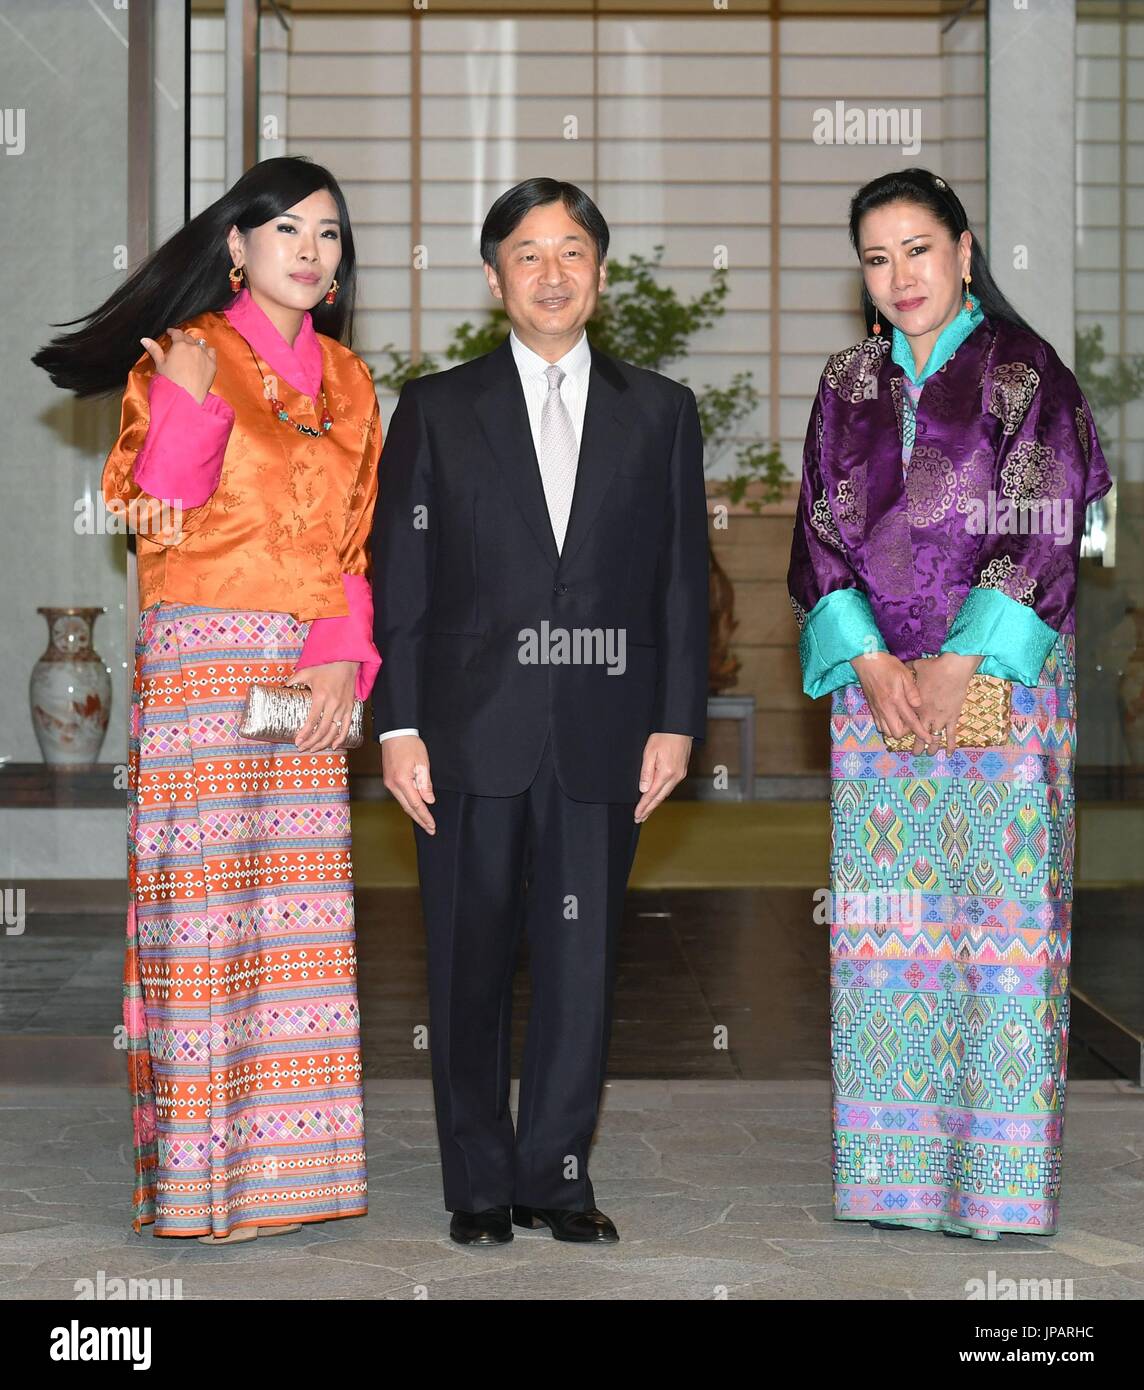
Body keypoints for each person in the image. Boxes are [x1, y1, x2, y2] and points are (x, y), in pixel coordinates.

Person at [33, 156, 381, 1243]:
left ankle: (295, 1177)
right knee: (207, 918)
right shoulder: (188, 354)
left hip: (303, 673)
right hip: (203, 670)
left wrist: (341, 661)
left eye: (328, 233)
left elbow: (354, 542)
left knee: (298, 917)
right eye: (287, 229)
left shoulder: (352, 380)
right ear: (236, 246)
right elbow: (156, 515)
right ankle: (201, 1182)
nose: (311, 250)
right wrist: (183, 397)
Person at [372, 178, 709, 1245]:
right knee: (466, 961)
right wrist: (398, 724)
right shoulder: (435, 406)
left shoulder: (658, 410)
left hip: (605, 732)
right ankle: (477, 1182)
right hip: (469, 734)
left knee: (581, 965)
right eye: (527, 253)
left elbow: (679, 581)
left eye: (572, 253)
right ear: (492, 276)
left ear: (600, 277)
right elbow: (403, 582)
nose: (551, 273)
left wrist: (674, 718)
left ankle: (556, 1175)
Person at [787, 168, 1112, 1240]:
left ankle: (1000, 1186)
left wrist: (961, 660)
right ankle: (893, 1176)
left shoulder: (1027, 377)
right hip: (878, 700)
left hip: (1001, 695)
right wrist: (875, 666)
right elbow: (821, 539)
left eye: (917, 250)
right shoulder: (846, 383)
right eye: (876, 258)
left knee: (1001, 929)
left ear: (964, 252)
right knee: (890, 926)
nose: (898, 276)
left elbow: (1045, 523)